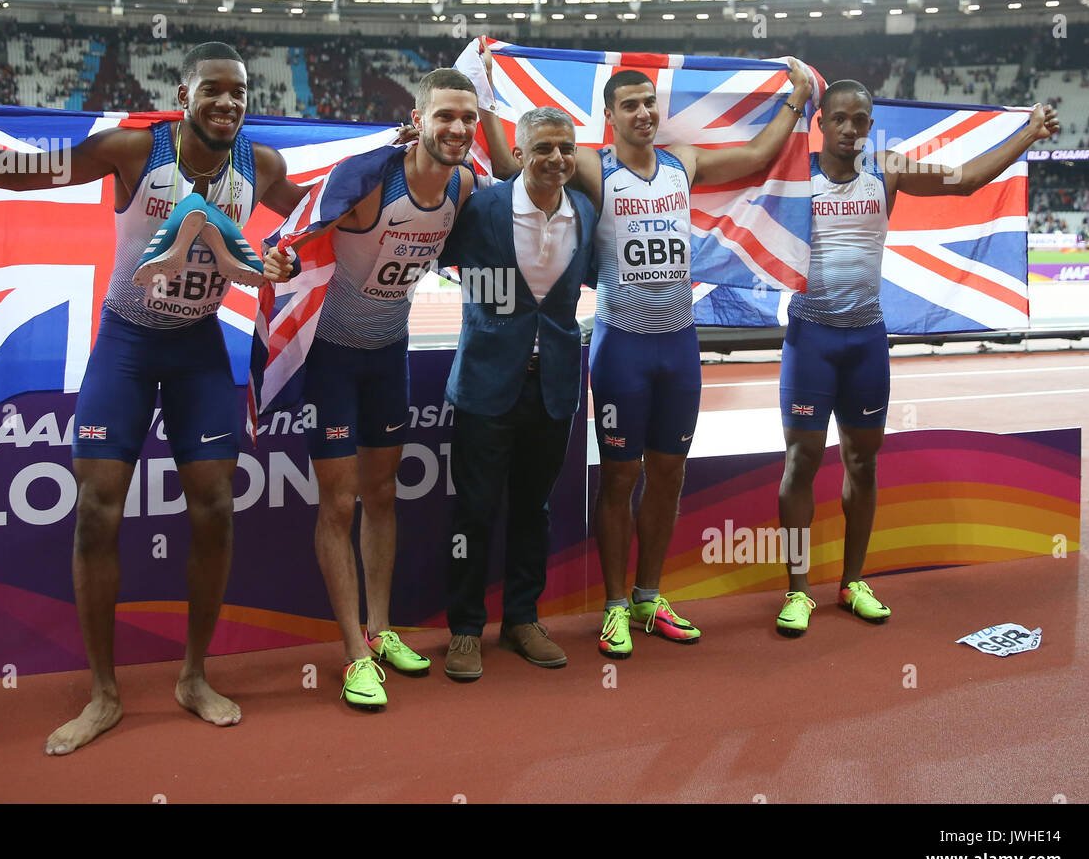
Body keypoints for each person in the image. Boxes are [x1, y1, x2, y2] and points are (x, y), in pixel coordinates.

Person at [0, 42, 303, 754]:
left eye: (239, 92)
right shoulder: (132, 150)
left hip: (200, 349)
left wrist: (386, 170)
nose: (228, 103)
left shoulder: (259, 167)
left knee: (215, 511)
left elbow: (317, 213)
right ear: (184, 93)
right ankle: (104, 693)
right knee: (96, 513)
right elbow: (23, 175)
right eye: (214, 90)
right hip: (129, 346)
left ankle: (194, 677)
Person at [478, 47, 812, 660]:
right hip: (620, 346)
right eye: (629, 106)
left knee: (669, 474)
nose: (642, 115)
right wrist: (486, 92)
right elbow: (514, 166)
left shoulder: (682, 162)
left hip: (679, 348)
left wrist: (796, 97)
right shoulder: (588, 166)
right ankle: (612, 606)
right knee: (620, 477)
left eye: (648, 106)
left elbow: (759, 155)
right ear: (609, 116)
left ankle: (648, 596)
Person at [774, 82, 1060, 636]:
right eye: (839, 119)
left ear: (870, 122)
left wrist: (1028, 132)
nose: (851, 129)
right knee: (800, 464)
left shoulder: (888, 171)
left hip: (864, 343)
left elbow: (969, 180)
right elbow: (729, 176)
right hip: (810, 339)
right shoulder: (794, 177)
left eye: (861, 119)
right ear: (821, 122)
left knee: (863, 463)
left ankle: (853, 581)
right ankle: (797, 589)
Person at [289, 68, 481, 709]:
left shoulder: (466, 185)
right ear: (419, 120)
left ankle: (382, 628)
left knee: (381, 495)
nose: (457, 129)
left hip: (389, 353)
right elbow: (297, 224)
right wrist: (277, 256)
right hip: (333, 355)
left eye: (467, 118)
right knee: (338, 505)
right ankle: (352, 654)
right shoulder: (372, 182)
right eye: (445, 116)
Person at [438, 106, 597, 680]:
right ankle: (463, 628)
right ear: (521, 155)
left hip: (553, 386)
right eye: (546, 148)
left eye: (566, 149)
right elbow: (431, 250)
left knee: (534, 508)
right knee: (474, 511)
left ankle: (523, 618)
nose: (558, 159)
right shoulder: (480, 206)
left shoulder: (584, 209)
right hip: (486, 383)